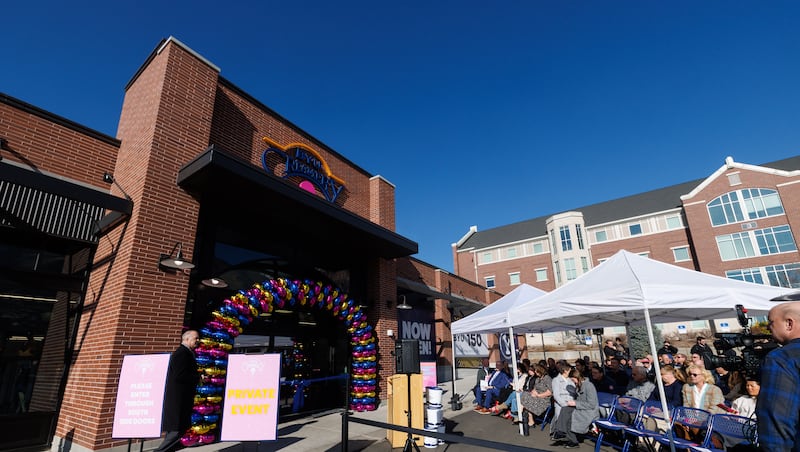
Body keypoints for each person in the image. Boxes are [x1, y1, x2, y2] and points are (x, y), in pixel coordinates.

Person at [757, 301, 800, 451]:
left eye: (771, 322)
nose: (768, 327)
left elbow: (776, 422)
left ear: (789, 324)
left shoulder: (782, 358)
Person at [155, 330, 200, 452]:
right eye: (195, 338)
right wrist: (198, 377)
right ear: (187, 339)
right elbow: (179, 375)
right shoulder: (182, 353)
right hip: (178, 400)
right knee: (176, 431)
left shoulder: (187, 353)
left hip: (181, 399)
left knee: (177, 430)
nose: (198, 341)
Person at [552, 368, 599, 449]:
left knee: (570, 417)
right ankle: (560, 430)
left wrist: (575, 403)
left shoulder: (589, 386)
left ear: (577, 377)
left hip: (589, 411)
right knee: (565, 409)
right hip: (582, 408)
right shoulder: (580, 385)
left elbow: (592, 404)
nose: (573, 382)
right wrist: (573, 402)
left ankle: (572, 440)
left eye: (573, 380)